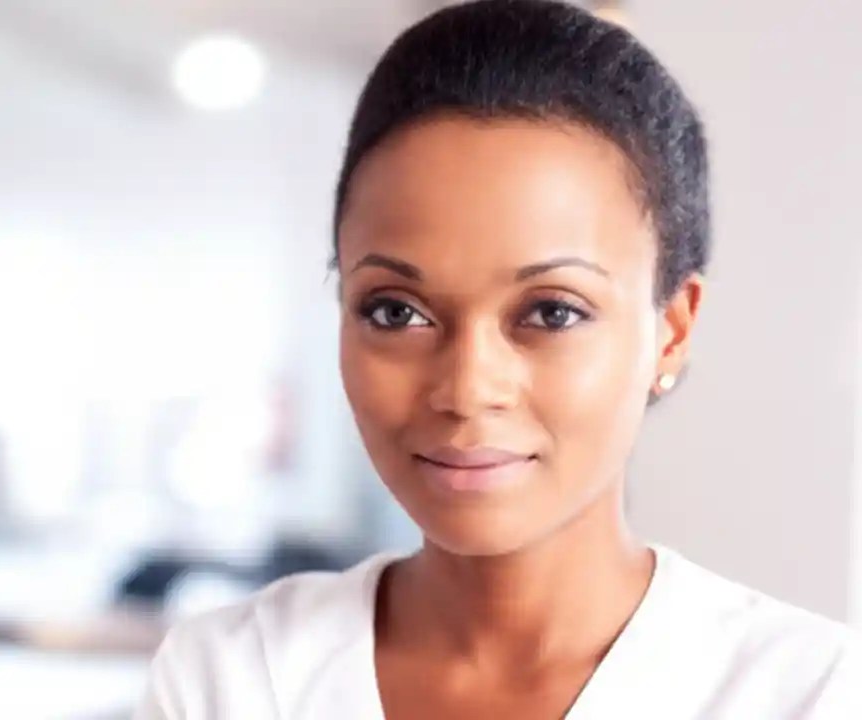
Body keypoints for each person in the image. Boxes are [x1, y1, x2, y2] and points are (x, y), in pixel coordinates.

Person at [133, 1, 861, 718]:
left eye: (552, 312)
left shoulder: (809, 693)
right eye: (396, 311)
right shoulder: (231, 678)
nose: (467, 389)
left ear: (669, 330)